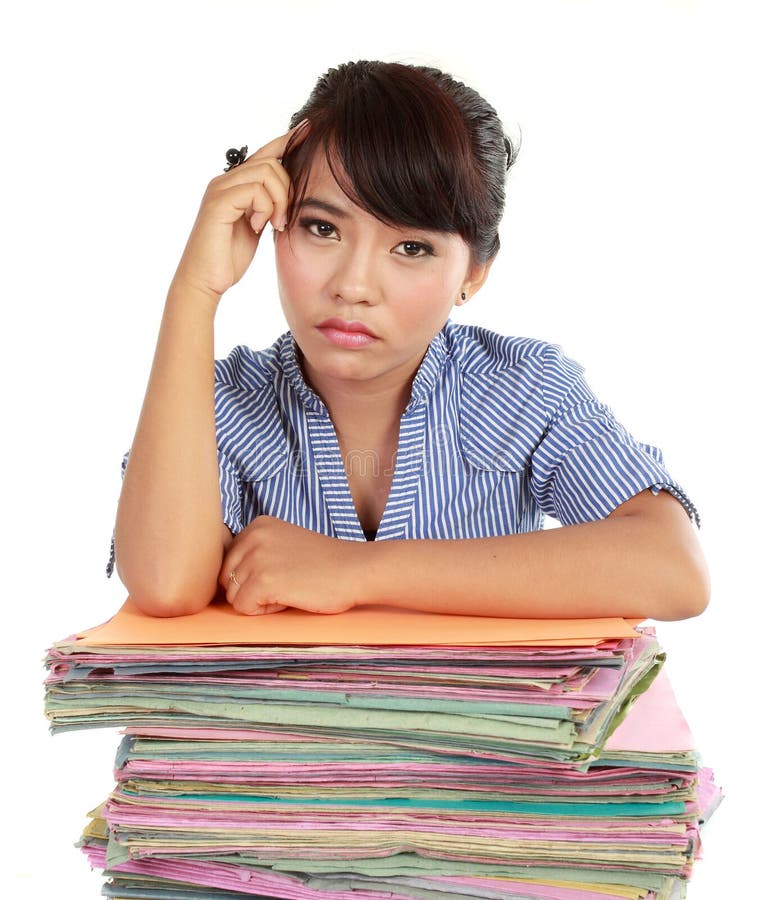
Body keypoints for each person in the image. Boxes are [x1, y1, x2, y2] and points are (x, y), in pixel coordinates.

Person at [111, 60, 710, 621]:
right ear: (274, 221)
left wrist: (356, 572)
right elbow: (166, 584)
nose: (352, 285)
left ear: (473, 273)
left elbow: (673, 567)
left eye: (412, 248)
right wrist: (195, 290)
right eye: (323, 228)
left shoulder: (524, 389)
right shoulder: (217, 403)